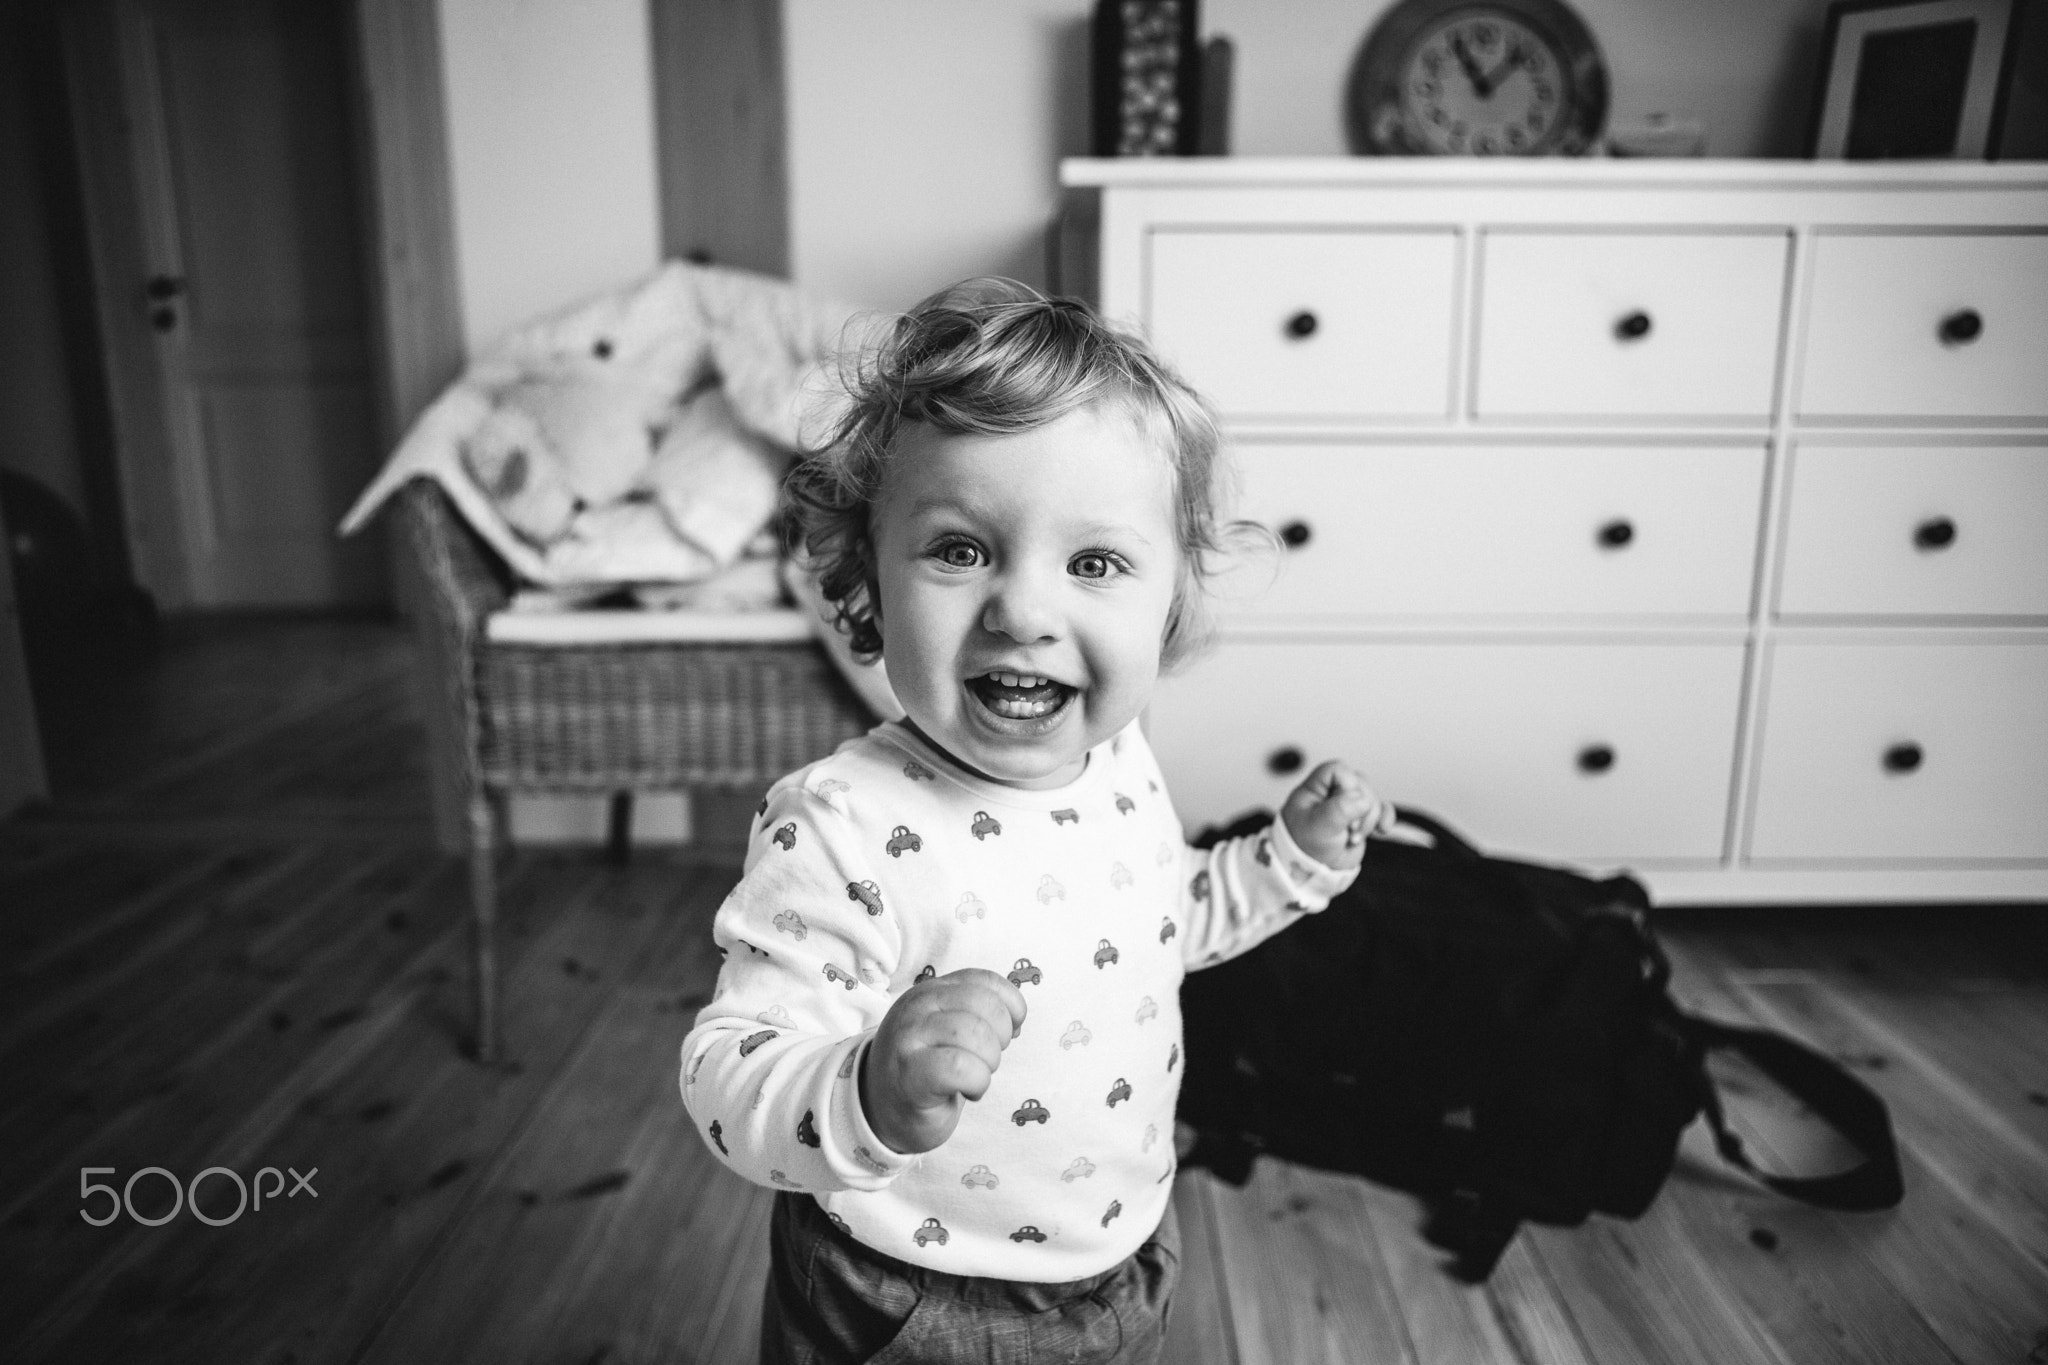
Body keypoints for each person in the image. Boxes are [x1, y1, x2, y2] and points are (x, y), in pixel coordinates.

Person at [680, 278, 1390, 1363]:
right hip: (905, 1291)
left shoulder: (1116, 762)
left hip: (1120, 1254)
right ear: (867, 576)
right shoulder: (840, 826)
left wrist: (1285, 864)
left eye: (1094, 563)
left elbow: (1156, 925)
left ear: (1167, 604)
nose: (1022, 611)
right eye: (960, 549)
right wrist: (864, 1085)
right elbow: (726, 1077)